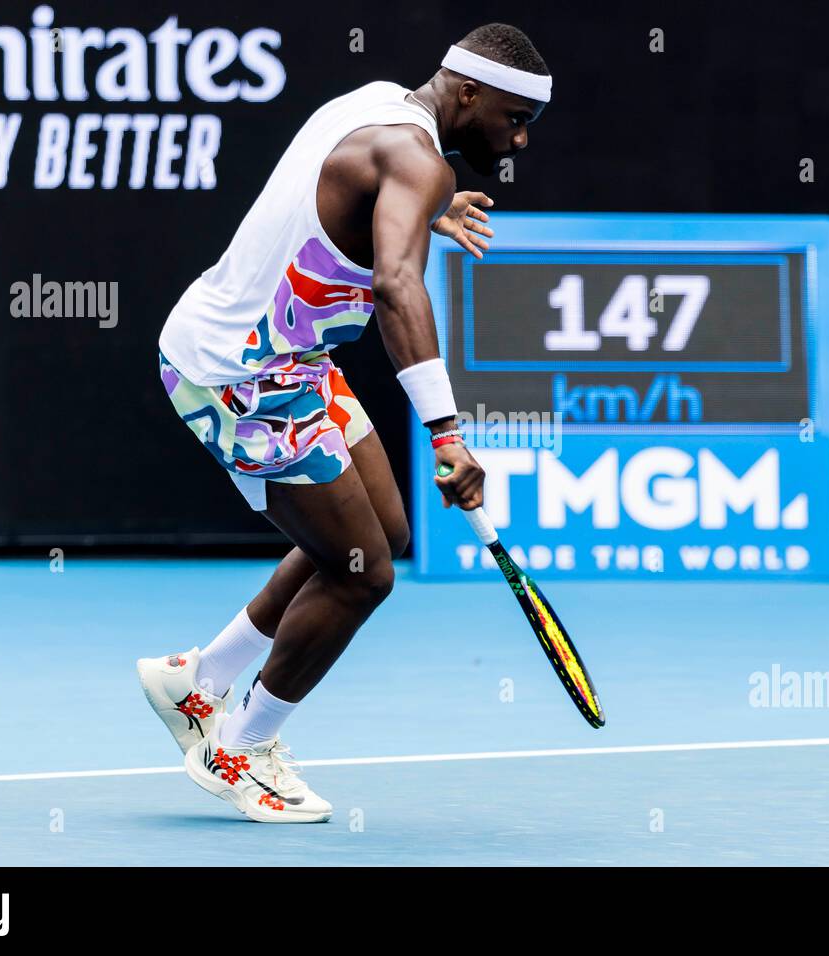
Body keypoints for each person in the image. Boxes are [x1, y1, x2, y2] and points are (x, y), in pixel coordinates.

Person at [138, 23, 550, 822]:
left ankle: (199, 681)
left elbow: (345, 192)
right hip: (239, 379)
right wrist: (448, 436)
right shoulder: (418, 162)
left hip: (288, 363)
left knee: (381, 531)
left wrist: (422, 209)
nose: (520, 138)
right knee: (364, 573)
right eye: (513, 116)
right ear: (468, 93)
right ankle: (241, 749)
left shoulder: (380, 109)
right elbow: (398, 288)